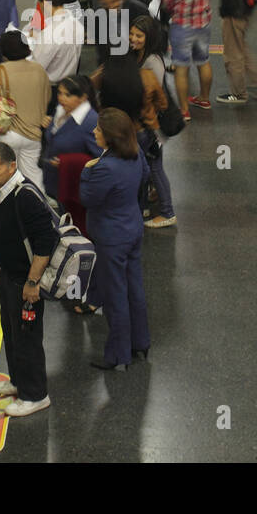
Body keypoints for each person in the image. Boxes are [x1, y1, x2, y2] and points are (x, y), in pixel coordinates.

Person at [0, 141, 59, 417]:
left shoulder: (25, 197)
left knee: (27, 338)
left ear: (12, 166)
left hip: (25, 282)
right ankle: (18, 382)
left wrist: (33, 283)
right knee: (11, 332)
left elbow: (45, 243)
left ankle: (36, 395)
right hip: (8, 276)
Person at [80, 108, 151, 370]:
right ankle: (140, 343)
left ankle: (118, 355)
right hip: (132, 228)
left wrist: (88, 170)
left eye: (98, 129)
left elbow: (87, 198)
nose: (94, 132)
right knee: (135, 288)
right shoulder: (135, 154)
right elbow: (144, 176)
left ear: (110, 137)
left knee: (115, 296)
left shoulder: (104, 167)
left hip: (111, 237)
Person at [0, 31, 51, 184]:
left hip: (5, 133)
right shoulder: (39, 70)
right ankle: (34, 206)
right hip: (33, 134)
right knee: (33, 177)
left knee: (3, 180)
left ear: (4, 52)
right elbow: (47, 97)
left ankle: (6, 207)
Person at [130, 15, 176, 228]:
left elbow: (153, 97)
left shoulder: (152, 62)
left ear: (149, 38)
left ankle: (167, 212)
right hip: (148, 123)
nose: (133, 39)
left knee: (155, 167)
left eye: (139, 35)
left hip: (151, 125)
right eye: (132, 34)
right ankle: (148, 203)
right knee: (150, 165)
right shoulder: (142, 56)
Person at [160, 0, 215, 120]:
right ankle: (204, 99)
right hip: (203, 22)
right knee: (203, 61)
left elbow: (166, 0)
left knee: (181, 68)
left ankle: (184, 110)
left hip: (182, 25)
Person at [41, 75, 101, 230]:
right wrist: (47, 126)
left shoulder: (90, 122)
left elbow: (101, 158)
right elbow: (55, 137)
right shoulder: (60, 110)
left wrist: (70, 162)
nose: (62, 98)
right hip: (59, 183)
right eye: (60, 93)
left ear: (83, 98)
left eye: (68, 95)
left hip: (76, 190)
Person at [27, 0, 83, 106]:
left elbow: (37, 67)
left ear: (45, 3)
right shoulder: (77, 25)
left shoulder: (50, 33)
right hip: (70, 81)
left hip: (51, 88)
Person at [91, 0, 150, 67]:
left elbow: (149, 41)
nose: (112, 6)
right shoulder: (99, 15)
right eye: (107, 4)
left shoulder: (140, 11)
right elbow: (101, 48)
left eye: (115, 1)